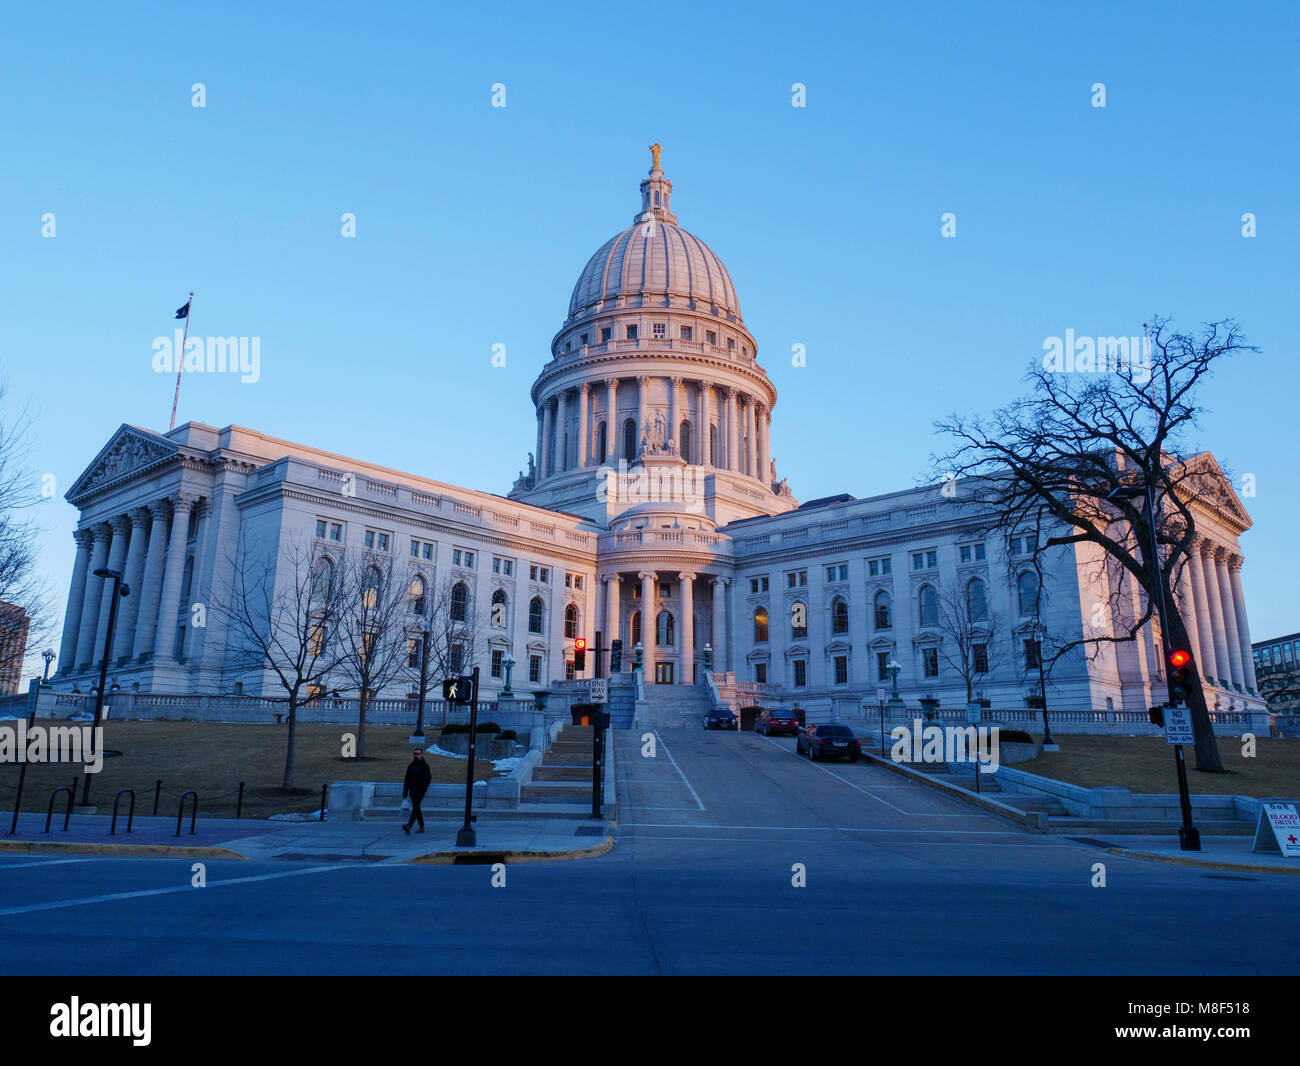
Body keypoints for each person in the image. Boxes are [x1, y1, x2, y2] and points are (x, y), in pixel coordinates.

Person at [401, 749, 432, 834]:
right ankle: (421, 827)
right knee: (416, 808)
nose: (416, 755)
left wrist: (423, 788)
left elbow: (428, 779)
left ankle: (409, 825)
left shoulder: (425, 766)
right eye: (414, 753)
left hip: (420, 791)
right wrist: (405, 794)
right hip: (412, 790)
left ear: (421, 755)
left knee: (416, 807)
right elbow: (406, 780)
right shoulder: (411, 766)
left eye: (418, 754)